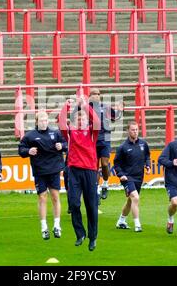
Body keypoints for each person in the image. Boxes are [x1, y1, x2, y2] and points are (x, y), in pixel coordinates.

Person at [59, 97, 100, 251]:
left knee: (91, 206)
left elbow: (96, 122)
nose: (80, 119)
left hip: (89, 171)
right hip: (74, 171)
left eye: (82, 117)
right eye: (77, 117)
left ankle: (92, 237)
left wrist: (85, 106)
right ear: (74, 121)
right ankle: (80, 234)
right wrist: (66, 106)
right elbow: (61, 122)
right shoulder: (70, 133)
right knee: (74, 203)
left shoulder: (91, 132)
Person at [18, 111, 67, 240]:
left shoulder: (55, 133)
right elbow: (21, 150)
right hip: (40, 171)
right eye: (41, 120)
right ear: (36, 121)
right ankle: (44, 227)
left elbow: (67, 145)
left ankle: (57, 225)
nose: (44, 122)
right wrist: (28, 151)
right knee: (42, 197)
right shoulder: (30, 136)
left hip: (54, 169)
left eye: (46, 120)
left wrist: (61, 146)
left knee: (55, 196)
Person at [87, 88, 123, 202]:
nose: (97, 96)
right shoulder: (86, 107)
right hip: (92, 139)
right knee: (94, 166)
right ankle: (96, 190)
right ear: (90, 96)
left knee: (105, 163)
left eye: (98, 94)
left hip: (105, 138)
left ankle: (105, 184)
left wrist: (120, 110)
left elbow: (115, 117)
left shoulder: (105, 106)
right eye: (94, 94)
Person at [114, 121, 151, 232]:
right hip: (127, 177)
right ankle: (137, 224)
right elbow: (117, 164)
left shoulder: (143, 144)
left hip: (139, 177)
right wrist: (121, 175)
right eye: (133, 130)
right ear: (128, 131)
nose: (135, 132)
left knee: (131, 201)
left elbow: (147, 156)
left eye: (136, 129)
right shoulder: (123, 147)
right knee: (135, 197)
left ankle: (121, 221)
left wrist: (148, 165)